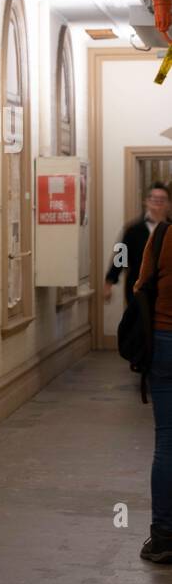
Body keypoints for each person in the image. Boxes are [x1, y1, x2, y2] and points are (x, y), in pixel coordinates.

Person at [130, 224, 172, 563]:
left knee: (167, 442)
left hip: (165, 342)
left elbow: (141, 285)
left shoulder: (162, 234)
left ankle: (163, 537)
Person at [105, 182, 170, 308]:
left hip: (167, 291)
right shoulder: (133, 229)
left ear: (168, 204)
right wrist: (109, 282)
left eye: (162, 199)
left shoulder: (171, 229)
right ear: (147, 202)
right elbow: (120, 257)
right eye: (154, 199)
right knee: (138, 325)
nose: (158, 202)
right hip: (138, 288)